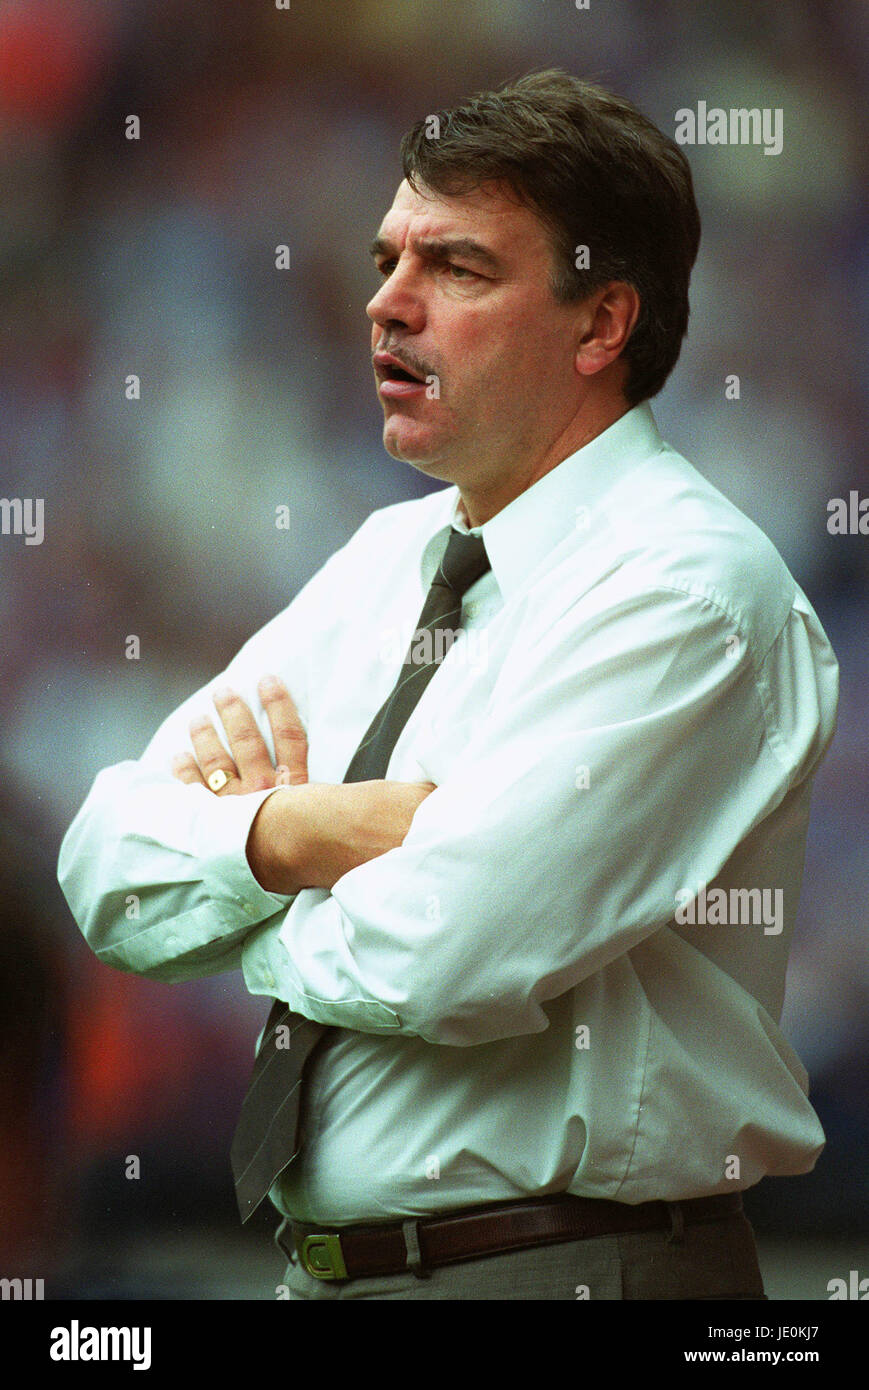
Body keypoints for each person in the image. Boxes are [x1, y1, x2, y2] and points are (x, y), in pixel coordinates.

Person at [58, 70, 839, 1301]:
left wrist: (240, 893)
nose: (384, 304)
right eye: (385, 259)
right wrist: (305, 830)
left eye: (457, 269)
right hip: (328, 1277)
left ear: (600, 326)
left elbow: (446, 956)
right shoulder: (389, 557)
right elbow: (102, 863)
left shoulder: (686, 590)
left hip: (567, 1267)